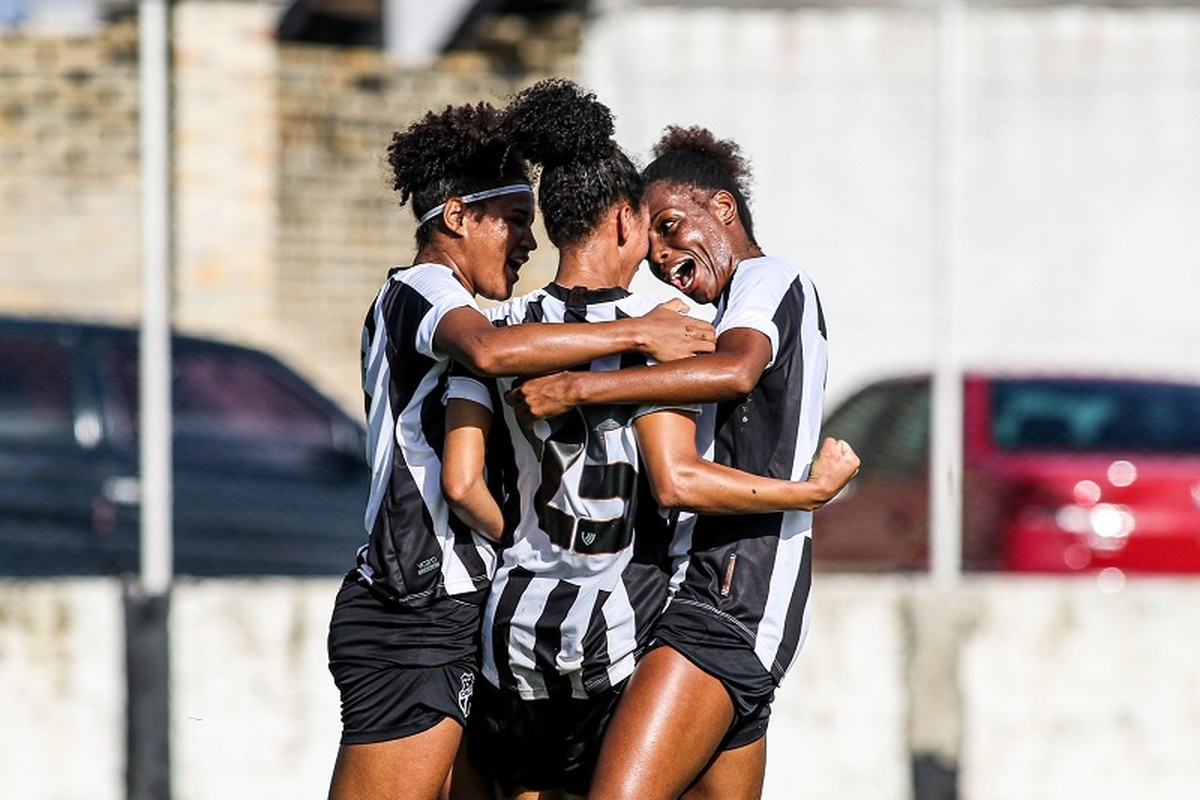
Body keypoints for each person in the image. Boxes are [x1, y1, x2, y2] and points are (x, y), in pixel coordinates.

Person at [443, 84, 859, 800]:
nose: (664, 256)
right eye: (654, 237)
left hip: (724, 603)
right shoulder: (672, 325)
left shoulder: (767, 279)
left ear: (723, 208)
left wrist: (578, 389)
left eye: (671, 227)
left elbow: (729, 383)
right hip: (693, 603)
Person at [324, 102, 716, 800]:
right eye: (511, 219)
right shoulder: (423, 291)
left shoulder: (495, 315)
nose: (528, 240)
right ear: (456, 217)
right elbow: (489, 354)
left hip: (466, 613)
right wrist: (636, 334)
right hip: (412, 605)